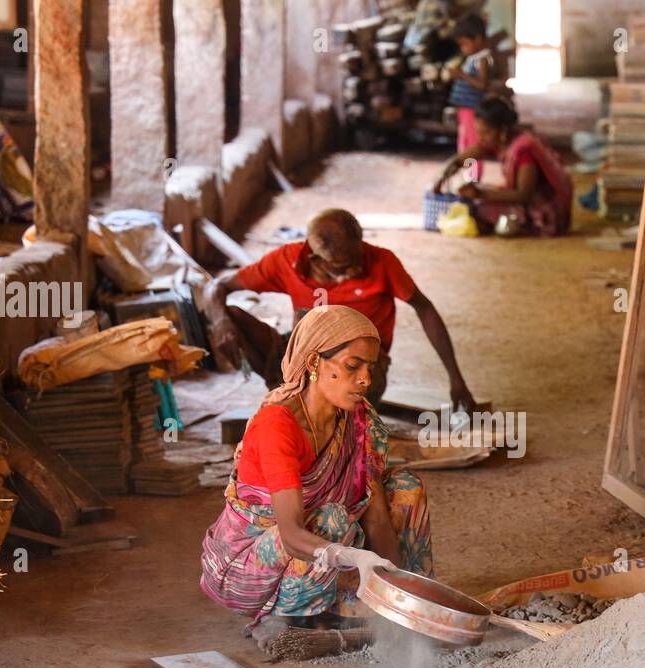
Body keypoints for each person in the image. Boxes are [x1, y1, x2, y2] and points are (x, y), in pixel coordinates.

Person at [199, 305, 433, 629]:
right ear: (313, 363)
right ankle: (293, 620)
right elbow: (292, 534)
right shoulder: (278, 424)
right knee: (331, 519)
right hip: (251, 566)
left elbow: (375, 512)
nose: (365, 379)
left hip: (323, 554)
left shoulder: (357, 419)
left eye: (370, 367)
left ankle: (402, 601)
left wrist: (395, 592)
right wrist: (355, 557)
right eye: (353, 366)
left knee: (406, 487)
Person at [201, 208, 475, 411]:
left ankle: (306, 405)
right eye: (344, 266)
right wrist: (219, 321)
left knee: (343, 367)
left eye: (358, 256)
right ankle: (290, 394)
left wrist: (456, 380)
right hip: (303, 358)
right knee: (233, 316)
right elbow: (217, 287)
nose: (357, 268)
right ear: (315, 258)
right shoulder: (288, 260)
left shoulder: (381, 261)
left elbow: (425, 309)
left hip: (361, 366)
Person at [433, 97, 574, 238]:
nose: (481, 137)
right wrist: (443, 176)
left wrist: (480, 193)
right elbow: (463, 159)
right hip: (527, 200)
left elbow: (523, 195)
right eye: (479, 132)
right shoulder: (498, 141)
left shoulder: (524, 150)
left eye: (486, 132)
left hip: (543, 211)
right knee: (477, 201)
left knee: (477, 208)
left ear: (502, 131)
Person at [447, 12, 496, 184]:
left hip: (473, 109)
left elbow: (482, 84)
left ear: (478, 39)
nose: (462, 48)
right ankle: (467, 177)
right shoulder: (471, 58)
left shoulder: (482, 59)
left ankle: (473, 179)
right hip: (464, 109)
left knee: (473, 146)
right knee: (464, 143)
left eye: (464, 44)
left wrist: (462, 75)